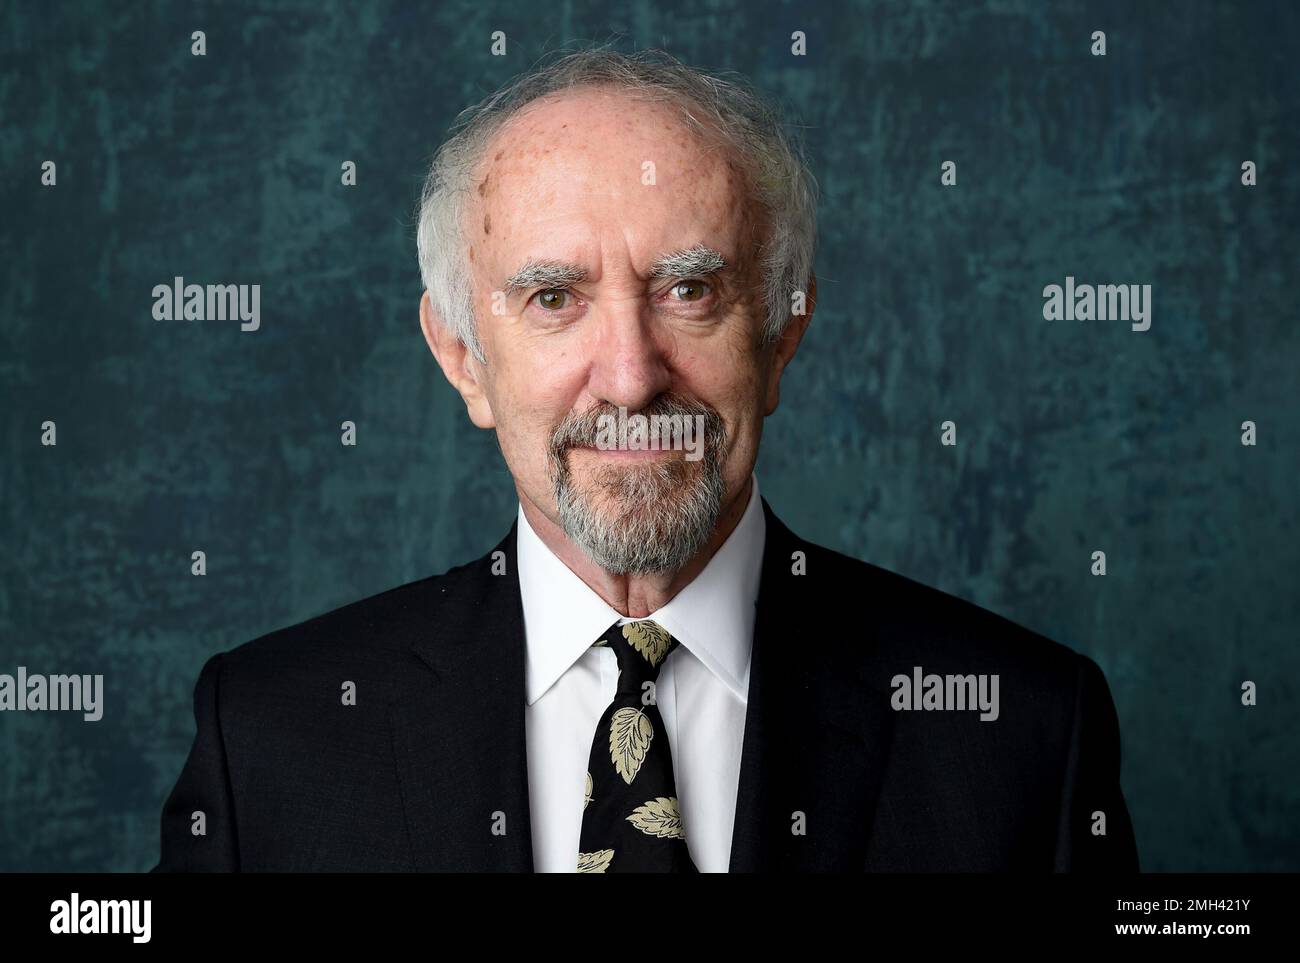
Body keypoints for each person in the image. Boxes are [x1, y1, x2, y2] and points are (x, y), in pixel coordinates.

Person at [153, 46, 1138, 873]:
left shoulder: (1021, 736)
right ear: (464, 360)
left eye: (689, 290)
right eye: (553, 298)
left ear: (783, 333)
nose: (629, 379)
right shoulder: (272, 742)